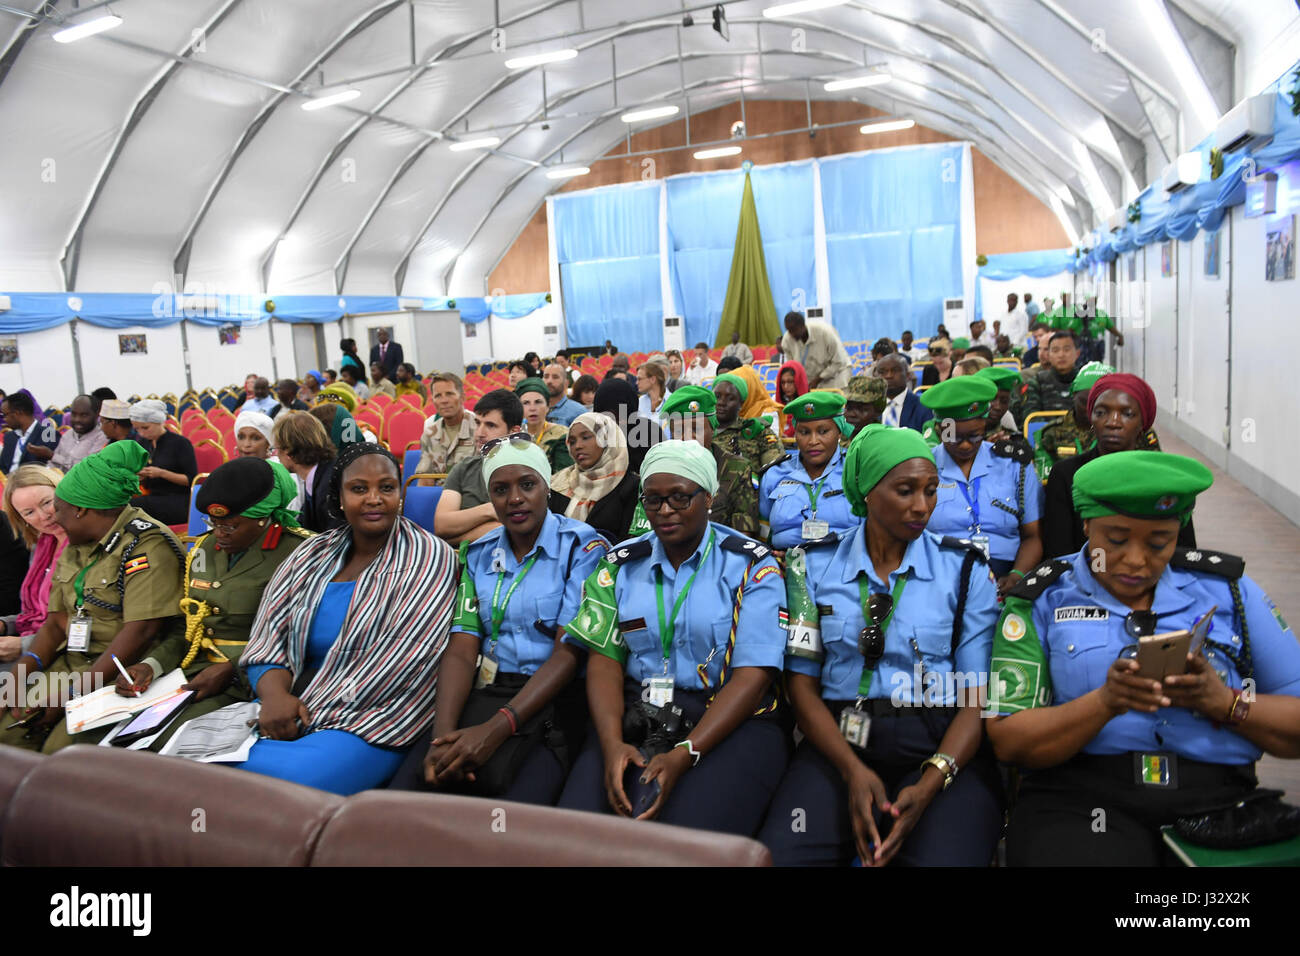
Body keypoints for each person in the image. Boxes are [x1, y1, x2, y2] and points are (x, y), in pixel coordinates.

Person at [986, 452, 1300, 866]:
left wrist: (1224, 703)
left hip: (1216, 802)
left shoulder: (1231, 593)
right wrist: (1105, 703)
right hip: (1082, 801)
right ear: (1085, 525)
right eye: (1115, 540)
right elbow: (1010, 739)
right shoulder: (1043, 598)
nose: (1136, 560)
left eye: (1159, 543)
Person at [758, 424, 1004, 865]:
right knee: (784, 853)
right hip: (839, 741)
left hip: (940, 741)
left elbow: (976, 698)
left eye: (931, 491)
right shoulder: (812, 567)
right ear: (868, 492)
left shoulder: (963, 571)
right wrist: (852, 772)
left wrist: (933, 779)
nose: (922, 506)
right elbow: (802, 686)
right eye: (905, 490)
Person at [557, 441, 790, 834]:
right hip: (637, 710)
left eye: (680, 498)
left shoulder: (751, 564)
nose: (665, 512)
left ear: (708, 497)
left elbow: (754, 677)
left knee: (683, 836)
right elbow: (604, 659)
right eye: (653, 500)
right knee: (576, 830)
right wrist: (612, 743)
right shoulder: (619, 565)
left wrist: (687, 753)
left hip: (727, 715)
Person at [389, 438, 608, 803]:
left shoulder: (581, 548)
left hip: (550, 700)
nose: (515, 499)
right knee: (410, 797)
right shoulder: (478, 553)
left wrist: (494, 731)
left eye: (527, 484)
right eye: (500, 490)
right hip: (487, 691)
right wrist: (441, 737)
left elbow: (568, 655)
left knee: (510, 819)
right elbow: (461, 649)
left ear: (546, 487)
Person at [233, 442, 456, 795]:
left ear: (400, 494)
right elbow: (269, 634)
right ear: (338, 497)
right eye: (358, 488)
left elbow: (406, 660)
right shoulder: (312, 552)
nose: (374, 499)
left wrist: (306, 712)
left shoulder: (429, 556)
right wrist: (275, 697)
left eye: (386, 487)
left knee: (279, 787)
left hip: (372, 719)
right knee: (199, 767)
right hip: (283, 708)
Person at [113, 458, 311, 749]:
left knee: (163, 745)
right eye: (213, 523)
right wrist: (151, 664)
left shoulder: (300, 554)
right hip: (193, 673)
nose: (219, 534)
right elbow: (189, 627)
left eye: (230, 525)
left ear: (262, 518)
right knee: (116, 732)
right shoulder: (204, 550)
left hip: (256, 681)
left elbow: (299, 636)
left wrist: (231, 668)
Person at [0, 442, 185, 753]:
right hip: (70, 664)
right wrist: (14, 682)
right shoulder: (78, 542)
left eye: (55, 508)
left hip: (121, 673)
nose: (52, 519)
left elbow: (141, 633)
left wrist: (73, 694)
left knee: (59, 754)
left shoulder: (147, 545)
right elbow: (56, 624)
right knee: (7, 735)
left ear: (81, 509)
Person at [1042, 373, 1186, 559]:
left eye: (1127, 414)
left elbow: (1183, 554)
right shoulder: (1066, 474)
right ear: (1091, 419)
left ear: (1143, 423)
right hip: (1085, 577)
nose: (1113, 422)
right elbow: (1059, 551)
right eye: (1101, 413)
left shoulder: (1167, 480)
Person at [919, 377, 1043, 593]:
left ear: (985, 425)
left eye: (975, 436)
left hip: (1004, 574)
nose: (966, 445)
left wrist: (1017, 576)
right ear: (940, 429)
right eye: (955, 437)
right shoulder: (923, 468)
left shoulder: (1014, 466)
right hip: (939, 578)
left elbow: (1033, 536)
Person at [760, 392, 860, 551]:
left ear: (839, 432)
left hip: (844, 566)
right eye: (804, 432)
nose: (813, 441)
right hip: (786, 567)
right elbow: (762, 534)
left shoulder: (856, 472)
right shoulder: (775, 474)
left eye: (823, 431)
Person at [659, 387, 759, 538]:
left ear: (712, 429)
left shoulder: (737, 469)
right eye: (679, 430)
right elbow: (643, 533)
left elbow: (744, 534)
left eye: (696, 429)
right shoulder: (660, 471)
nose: (688, 438)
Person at [435, 389, 525, 545]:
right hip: (465, 562)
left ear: (513, 432)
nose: (479, 433)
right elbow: (442, 525)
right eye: (478, 423)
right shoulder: (463, 468)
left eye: (490, 425)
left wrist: (456, 537)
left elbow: (519, 532)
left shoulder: (529, 473)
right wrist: (490, 510)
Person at [0, 466, 65, 669]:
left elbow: (96, 625)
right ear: (22, 520)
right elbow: (31, 613)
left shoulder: (87, 544)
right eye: (29, 512)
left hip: (63, 655)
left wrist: (24, 644)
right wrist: (5, 624)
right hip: (30, 639)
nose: (44, 516)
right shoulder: (41, 546)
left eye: (47, 502)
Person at [549, 412, 640, 543]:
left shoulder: (632, 487)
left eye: (585, 437)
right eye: (572, 442)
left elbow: (629, 543)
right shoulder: (558, 483)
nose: (578, 446)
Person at [1032, 361, 1112, 480]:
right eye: (1085, 402)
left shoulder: (1126, 434)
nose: (1092, 409)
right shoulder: (1050, 434)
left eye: (1102, 404)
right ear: (1073, 395)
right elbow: (1046, 481)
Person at [127, 399, 196, 526]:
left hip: (179, 500)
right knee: (122, 504)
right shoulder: (143, 444)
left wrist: (162, 473)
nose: (141, 433)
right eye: (137, 429)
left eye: (145, 428)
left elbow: (192, 480)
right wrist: (141, 476)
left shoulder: (180, 443)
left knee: (133, 508)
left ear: (159, 422)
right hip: (154, 497)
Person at [273, 411, 339, 534]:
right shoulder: (318, 475)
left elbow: (335, 538)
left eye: (276, 449)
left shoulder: (330, 483)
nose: (275, 454)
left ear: (288, 451)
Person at [710, 373, 783, 475]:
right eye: (717, 396)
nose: (721, 402)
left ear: (741, 403)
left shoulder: (757, 432)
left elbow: (776, 471)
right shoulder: (700, 431)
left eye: (730, 398)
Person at [593, 378, 665, 475]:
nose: (613, 419)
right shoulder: (593, 434)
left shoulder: (649, 432)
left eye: (618, 412)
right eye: (607, 413)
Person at [415, 373, 476, 480]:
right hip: (439, 494)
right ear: (433, 401)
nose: (444, 401)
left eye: (449, 394)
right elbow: (425, 479)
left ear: (462, 398)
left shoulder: (479, 429)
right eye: (438, 396)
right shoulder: (429, 434)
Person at [515, 378, 573, 472]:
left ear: (548, 406)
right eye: (526, 403)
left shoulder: (561, 435)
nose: (532, 408)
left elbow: (563, 477)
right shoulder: (513, 436)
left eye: (538, 402)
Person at [781, 311, 851, 389]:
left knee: (835, 398)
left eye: (794, 330)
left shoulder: (825, 333)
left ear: (802, 326)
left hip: (837, 373)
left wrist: (818, 379)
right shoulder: (787, 340)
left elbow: (838, 362)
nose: (791, 334)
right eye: (789, 330)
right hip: (812, 378)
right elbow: (792, 367)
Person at [1020, 331, 1081, 420]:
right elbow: (1031, 418)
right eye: (1055, 350)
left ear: (1077, 353)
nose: (1061, 355)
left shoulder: (1085, 381)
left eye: (1066, 349)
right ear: (1049, 355)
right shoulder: (1037, 382)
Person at [0, 390, 57, 473]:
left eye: (5, 415)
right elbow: (3, 468)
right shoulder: (9, 437)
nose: (4, 420)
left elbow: (46, 467)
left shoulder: (48, 434)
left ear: (17, 413)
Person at [50, 394, 107, 472]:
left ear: (97, 415)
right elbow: (52, 464)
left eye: (83, 415)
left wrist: (53, 456)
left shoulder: (102, 437)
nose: (77, 420)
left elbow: (86, 469)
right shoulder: (68, 435)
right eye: (74, 414)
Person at [876, 354, 928, 432]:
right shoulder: (871, 407)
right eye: (882, 372)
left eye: (895, 370)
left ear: (907, 375)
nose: (888, 376)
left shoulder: (923, 406)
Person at [1076, 295, 1124, 362]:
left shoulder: (1102, 314)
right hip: (1084, 344)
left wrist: (1119, 336)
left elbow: (1111, 327)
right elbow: (1071, 329)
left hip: (1098, 345)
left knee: (1098, 364)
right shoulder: (1081, 314)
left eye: (1094, 300)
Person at [776, 360, 808, 438]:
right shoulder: (775, 403)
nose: (786, 387)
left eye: (790, 382)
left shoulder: (809, 403)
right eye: (783, 383)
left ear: (799, 381)